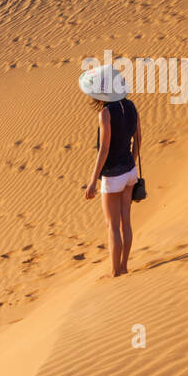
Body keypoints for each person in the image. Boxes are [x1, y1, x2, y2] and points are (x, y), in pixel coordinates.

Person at [79, 64, 141, 277]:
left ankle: (116, 271)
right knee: (126, 221)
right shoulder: (132, 106)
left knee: (112, 225)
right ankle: (124, 265)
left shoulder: (106, 112)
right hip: (130, 173)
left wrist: (92, 181)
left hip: (113, 176)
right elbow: (138, 140)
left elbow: (103, 149)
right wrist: (130, 164)